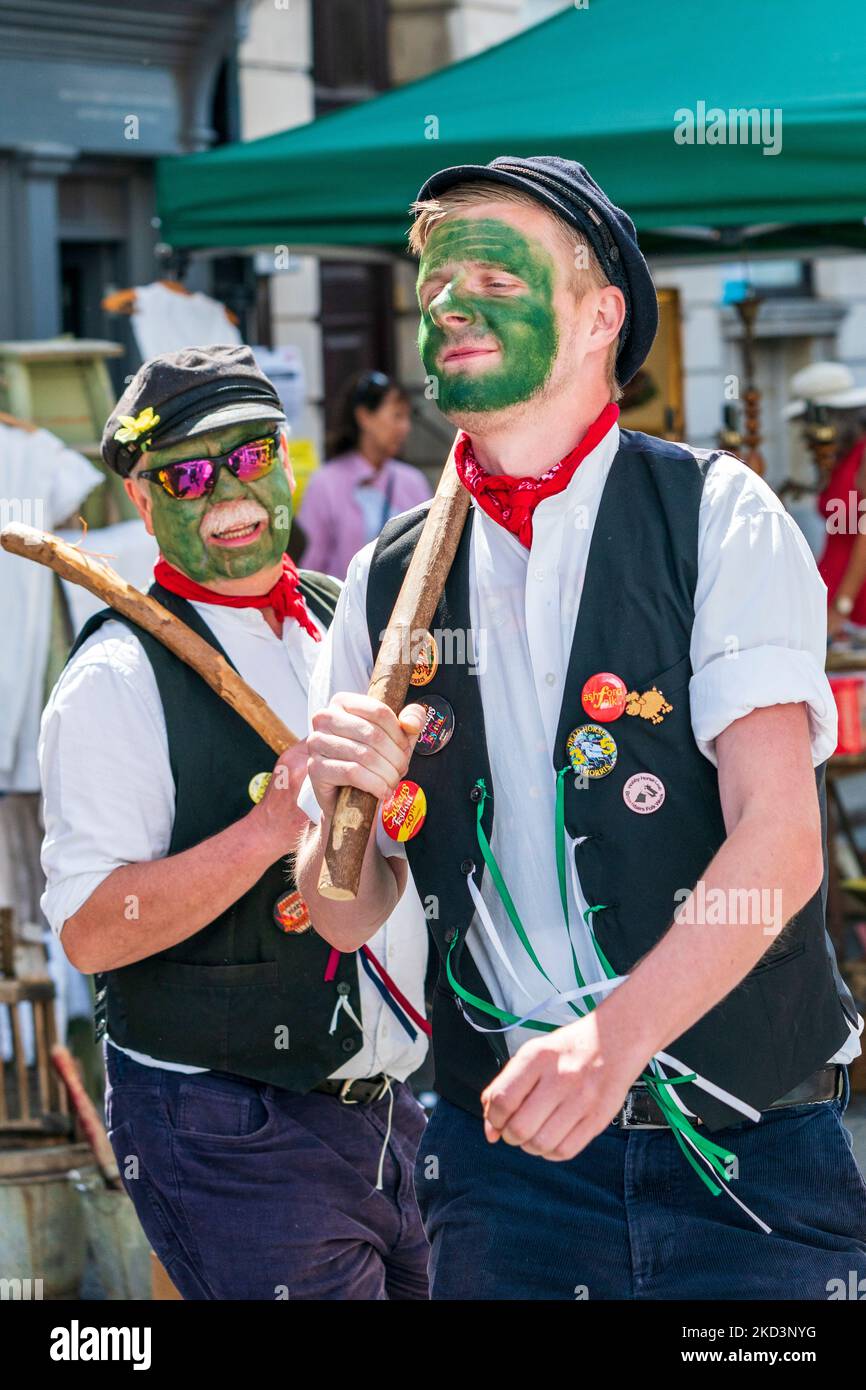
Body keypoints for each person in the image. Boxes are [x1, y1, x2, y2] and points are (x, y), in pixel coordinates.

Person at [296, 157, 866, 1300]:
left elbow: (779, 840)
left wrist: (611, 1044)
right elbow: (343, 906)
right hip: (507, 1169)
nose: (449, 302)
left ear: (600, 312)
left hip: (746, 1148)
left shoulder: (713, 513)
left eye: (492, 273)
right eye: (435, 281)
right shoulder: (380, 580)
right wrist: (335, 828)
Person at [38, 345, 431, 1301]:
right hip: (232, 1126)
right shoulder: (113, 681)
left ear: (284, 459)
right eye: (187, 474)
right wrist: (264, 834)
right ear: (144, 502)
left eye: (250, 456)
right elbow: (91, 931)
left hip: (398, 1117)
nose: (229, 492)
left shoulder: (344, 623)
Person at [299, 370, 431, 579]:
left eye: (407, 417)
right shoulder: (325, 484)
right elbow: (310, 569)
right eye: (397, 415)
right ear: (364, 417)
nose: (405, 427)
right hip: (341, 608)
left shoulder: (412, 481)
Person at [784, 362, 866, 639]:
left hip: (853, 602)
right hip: (834, 596)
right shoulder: (839, 460)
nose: (806, 435)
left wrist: (843, 605)